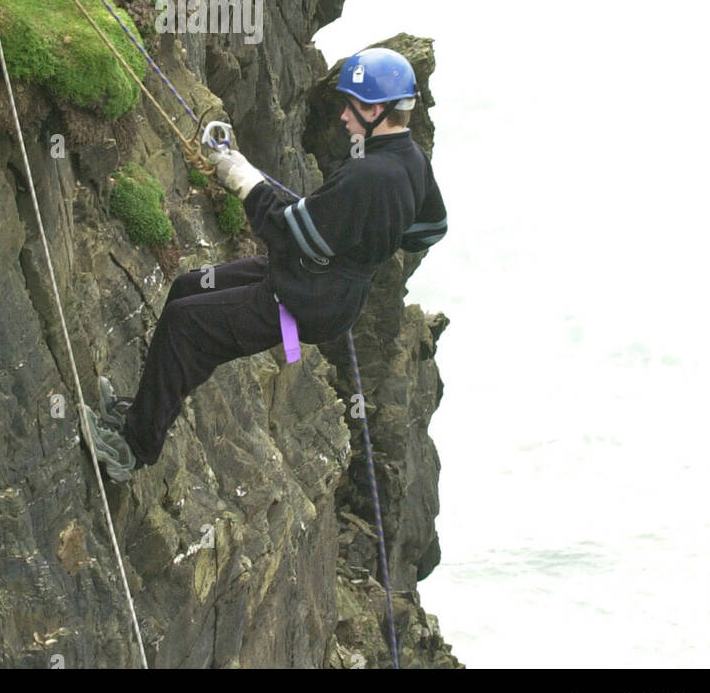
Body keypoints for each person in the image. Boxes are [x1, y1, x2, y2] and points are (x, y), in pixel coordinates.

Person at [87, 47, 449, 481]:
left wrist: (238, 175)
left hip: (301, 303)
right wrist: (366, 240)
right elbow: (429, 228)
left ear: (376, 110)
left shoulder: (368, 175)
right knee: (190, 287)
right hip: (310, 279)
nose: (343, 118)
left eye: (351, 107)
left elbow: (287, 233)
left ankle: (134, 448)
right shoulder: (410, 161)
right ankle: (147, 411)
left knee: (186, 325)